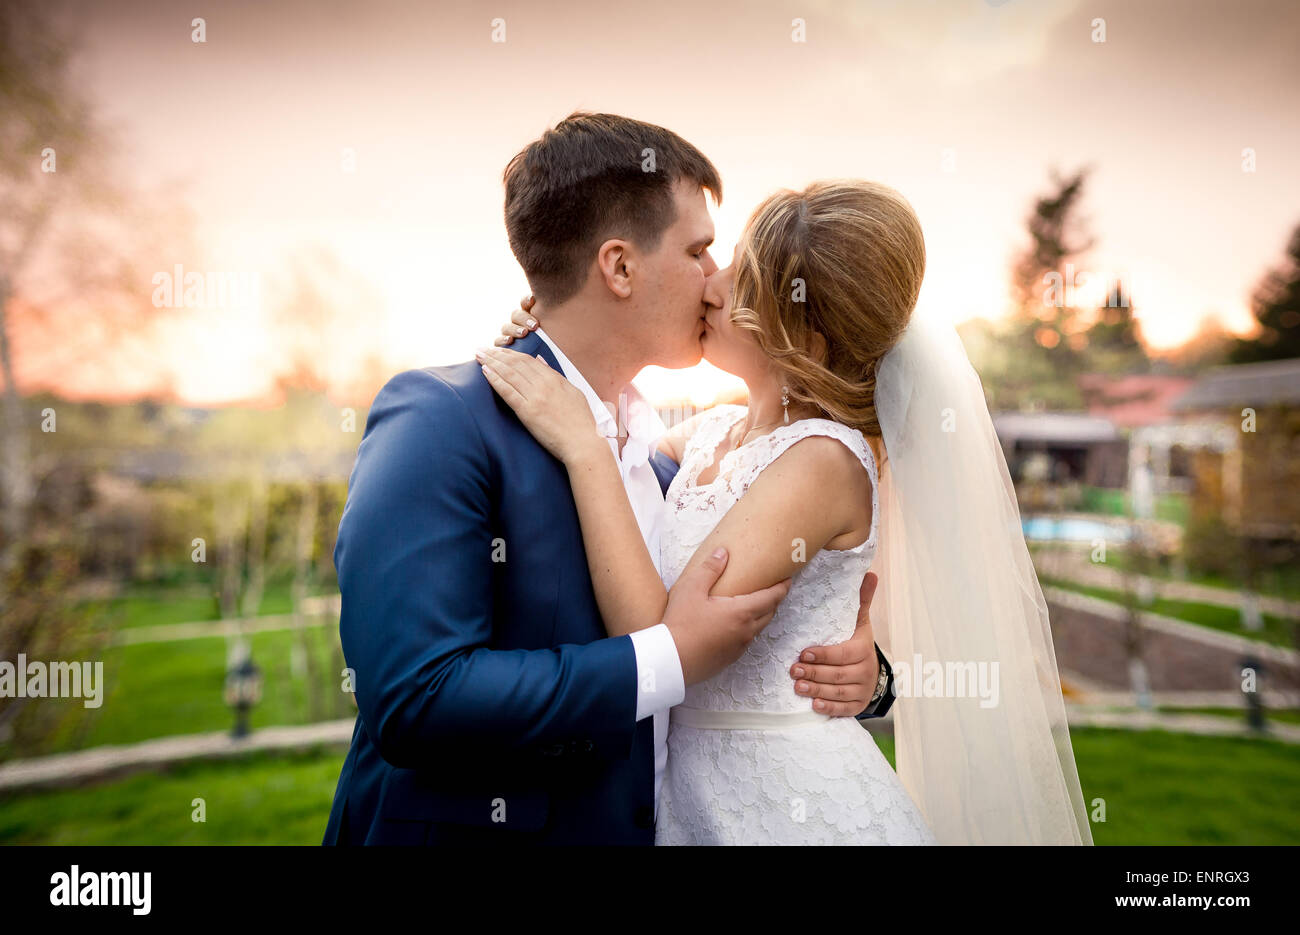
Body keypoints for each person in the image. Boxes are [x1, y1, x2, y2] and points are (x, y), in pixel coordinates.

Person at [322, 113, 894, 846]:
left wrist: (863, 670)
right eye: (699, 251)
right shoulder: (442, 419)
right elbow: (415, 696)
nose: (716, 283)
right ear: (620, 267)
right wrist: (666, 656)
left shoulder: (667, 457)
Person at [486, 176, 1093, 845]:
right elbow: (619, 448)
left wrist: (585, 447)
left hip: (782, 807)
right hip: (697, 795)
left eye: (743, 284)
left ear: (807, 336)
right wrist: (556, 336)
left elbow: (658, 637)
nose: (710, 286)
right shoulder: (716, 432)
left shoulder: (822, 463)